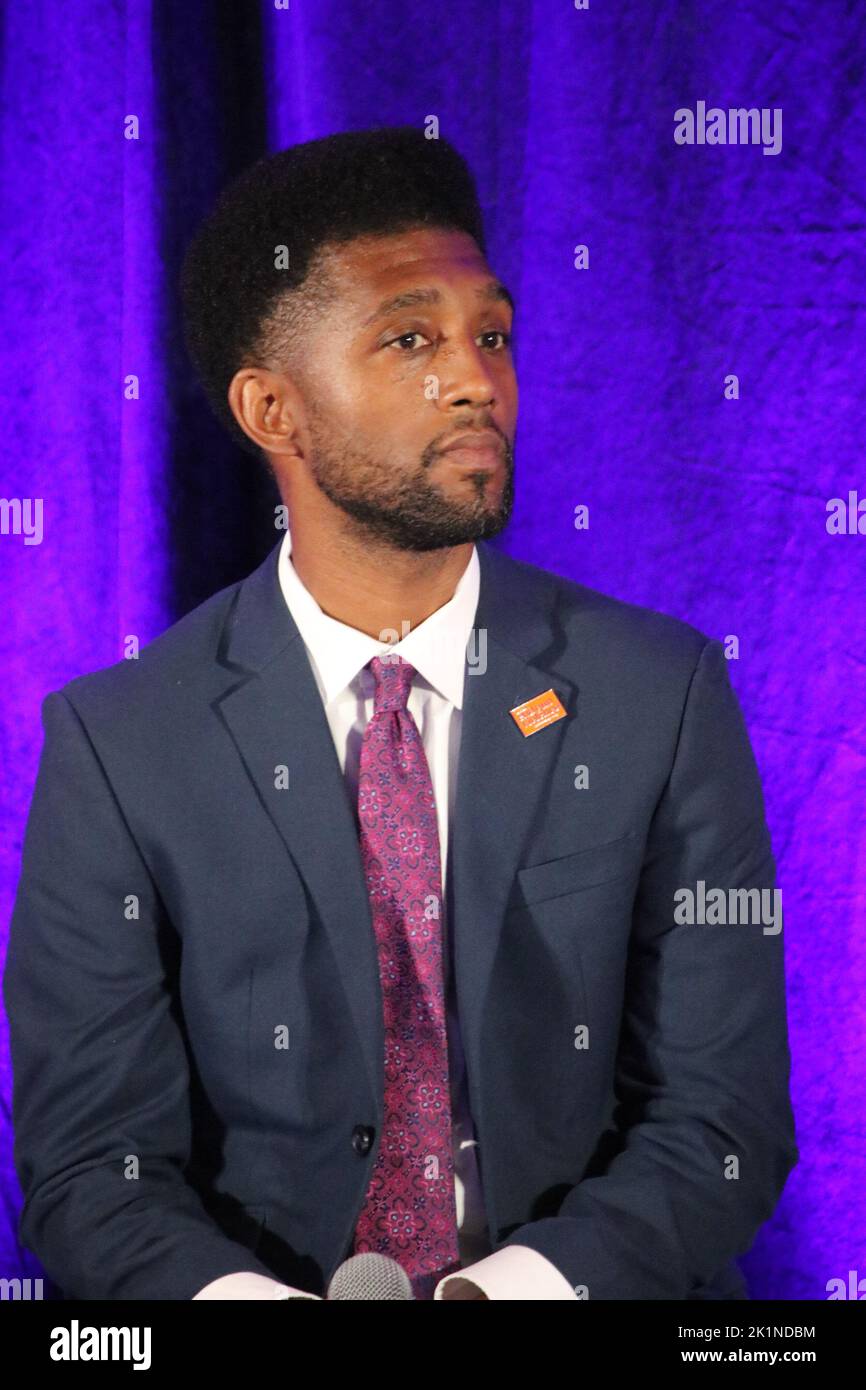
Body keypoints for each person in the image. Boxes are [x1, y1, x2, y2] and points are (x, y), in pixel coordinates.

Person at [3, 127, 798, 1301]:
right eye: (410, 338)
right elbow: (88, 1171)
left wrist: (506, 1292)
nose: (475, 377)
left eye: (490, 334)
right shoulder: (119, 744)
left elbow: (720, 1120)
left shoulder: (658, 692)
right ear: (272, 409)